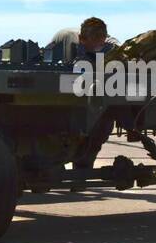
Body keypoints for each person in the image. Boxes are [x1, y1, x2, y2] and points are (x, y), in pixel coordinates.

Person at [47, 17, 120, 170]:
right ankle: (53, 161)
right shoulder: (65, 40)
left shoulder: (112, 46)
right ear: (82, 39)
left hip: (94, 85)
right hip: (69, 76)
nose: (97, 47)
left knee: (102, 125)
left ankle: (83, 165)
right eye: (92, 45)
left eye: (100, 43)